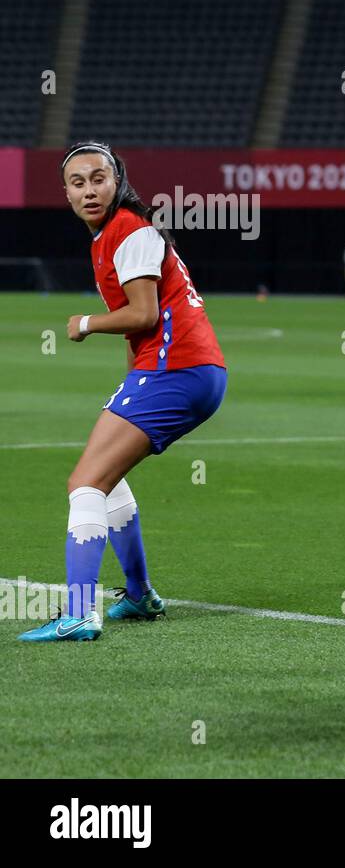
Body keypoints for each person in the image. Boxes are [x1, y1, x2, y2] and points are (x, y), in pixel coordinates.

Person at [20, 141, 227, 642]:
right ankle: (138, 595)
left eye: (98, 179)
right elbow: (145, 326)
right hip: (177, 370)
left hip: (177, 370)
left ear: (117, 181)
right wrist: (132, 379)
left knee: (85, 484)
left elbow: (144, 314)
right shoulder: (114, 233)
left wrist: (86, 323)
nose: (89, 190)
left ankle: (78, 615)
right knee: (104, 477)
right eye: (78, 183)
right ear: (66, 194)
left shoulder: (129, 230)